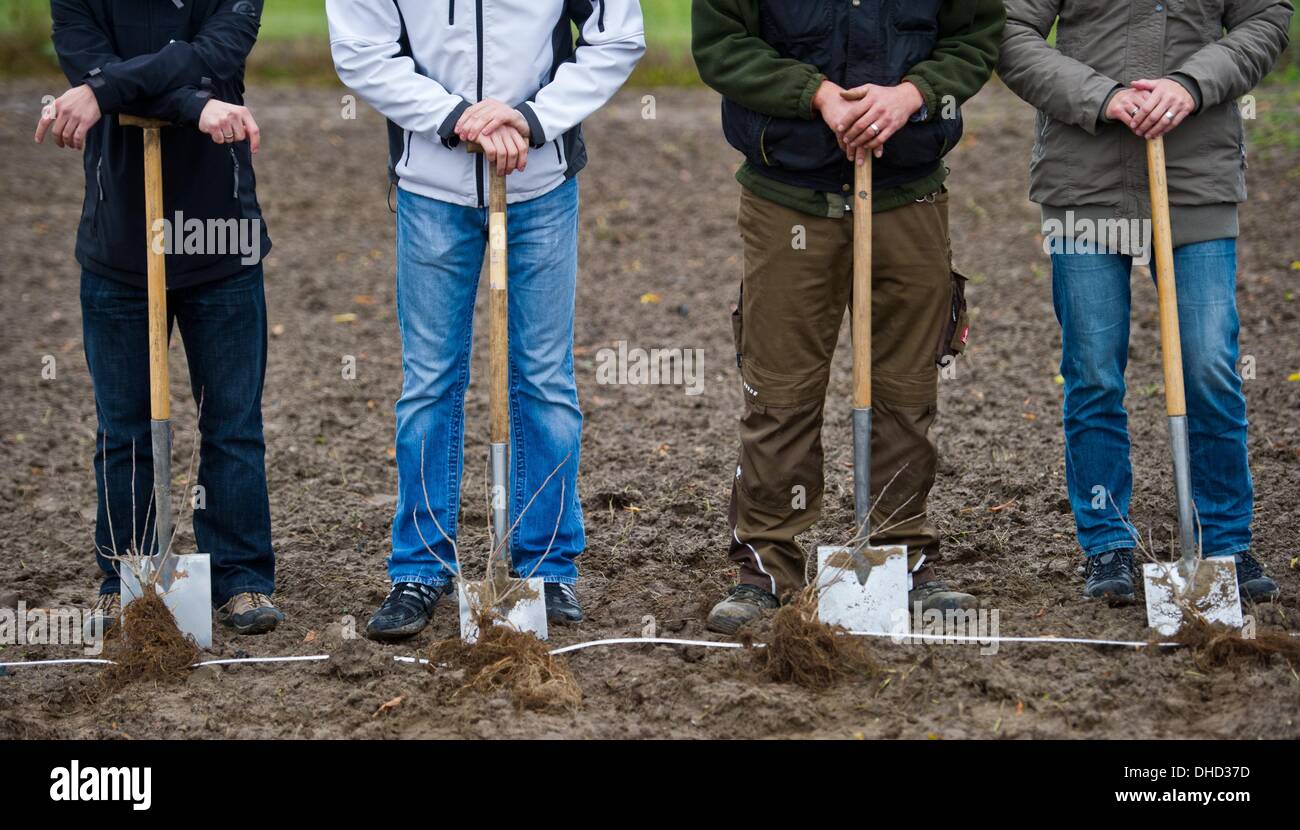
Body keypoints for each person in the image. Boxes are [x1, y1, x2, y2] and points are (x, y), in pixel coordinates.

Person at [327, 0, 645, 640]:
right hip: (429, 190)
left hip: (540, 186)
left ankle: (546, 569)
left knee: (545, 381)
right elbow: (360, 48)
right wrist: (455, 118)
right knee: (429, 384)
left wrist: (531, 118)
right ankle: (420, 568)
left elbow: (619, 34)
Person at [691, 0, 1005, 633]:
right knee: (779, 390)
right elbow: (721, 45)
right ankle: (766, 569)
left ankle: (902, 555)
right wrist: (817, 96)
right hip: (789, 197)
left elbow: (977, 36)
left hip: (908, 194)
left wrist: (913, 95)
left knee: (906, 388)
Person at [999, 0, 1290, 604]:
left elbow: (1266, 19)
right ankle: (1107, 542)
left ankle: (1227, 541)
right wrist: (1100, 96)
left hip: (1196, 176)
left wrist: (1190, 85)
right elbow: (1006, 29)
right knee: (1094, 368)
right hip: (1083, 178)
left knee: (1209, 361)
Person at [39, 0, 283, 636]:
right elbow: (94, 61)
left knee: (232, 424)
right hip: (119, 245)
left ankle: (241, 579)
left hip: (220, 241)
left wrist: (102, 91)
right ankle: (128, 573)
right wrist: (191, 103)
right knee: (123, 430)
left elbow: (213, 58)